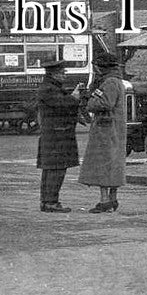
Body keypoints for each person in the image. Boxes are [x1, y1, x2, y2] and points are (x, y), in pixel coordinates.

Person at [78, 50, 128, 212]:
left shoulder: (109, 83)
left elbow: (103, 104)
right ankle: (112, 198)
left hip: (106, 130)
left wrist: (89, 100)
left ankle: (105, 200)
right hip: (113, 128)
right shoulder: (115, 81)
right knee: (113, 163)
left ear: (102, 67)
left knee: (104, 164)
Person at [36, 59, 85, 213]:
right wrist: (75, 97)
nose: (65, 75)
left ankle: (47, 201)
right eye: (63, 73)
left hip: (55, 134)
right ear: (54, 74)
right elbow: (62, 105)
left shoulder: (49, 87)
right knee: (56, 169)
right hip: (57, 135)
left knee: (51, 169)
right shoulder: (49, 89)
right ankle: (51, 202)